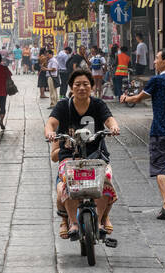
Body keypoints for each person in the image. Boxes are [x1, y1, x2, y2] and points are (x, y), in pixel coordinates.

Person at [47, 68, 122, 239]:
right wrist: (50, 132)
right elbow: (50, 124)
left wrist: (114, 127)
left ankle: (101, 218)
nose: (82, 88)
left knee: (106, 181)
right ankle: (72, 221)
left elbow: (109, 120)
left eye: (85, 84)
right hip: (70, 158)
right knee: (68, 184)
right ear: (71, 87)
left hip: (97, 156)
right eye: (77, 85)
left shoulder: (98, 105)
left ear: (92, 86)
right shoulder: (62, 106)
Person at [121, 46, 165, 220]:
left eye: (157, 58)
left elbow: (138, 98)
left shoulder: (156, 81)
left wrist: (125, 98)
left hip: (159, 130)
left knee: (160, 166)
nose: (154, 61)